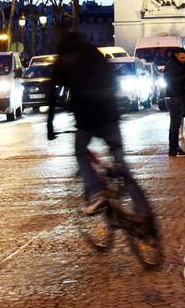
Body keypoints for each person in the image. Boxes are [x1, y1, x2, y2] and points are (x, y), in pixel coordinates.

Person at [47, 25, 145, 215]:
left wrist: (50, 124)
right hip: (110, 112)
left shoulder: (63, 60)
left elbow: (52, 94)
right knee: (122, 165)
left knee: (81, 152)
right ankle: (142, 211)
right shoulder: (93, 51)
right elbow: (113, 78)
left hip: (87, 119)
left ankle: (95, 192)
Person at [163, 48, 185, 157]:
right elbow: (169, 80)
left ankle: (174, 148)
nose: (184, 60)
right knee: (175, 124)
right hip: (173, 97)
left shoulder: (178, 64)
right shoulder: (172, 65)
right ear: (176, 55)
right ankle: (173, 149)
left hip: (177, 96)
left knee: (176, 124)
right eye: (182, 57)